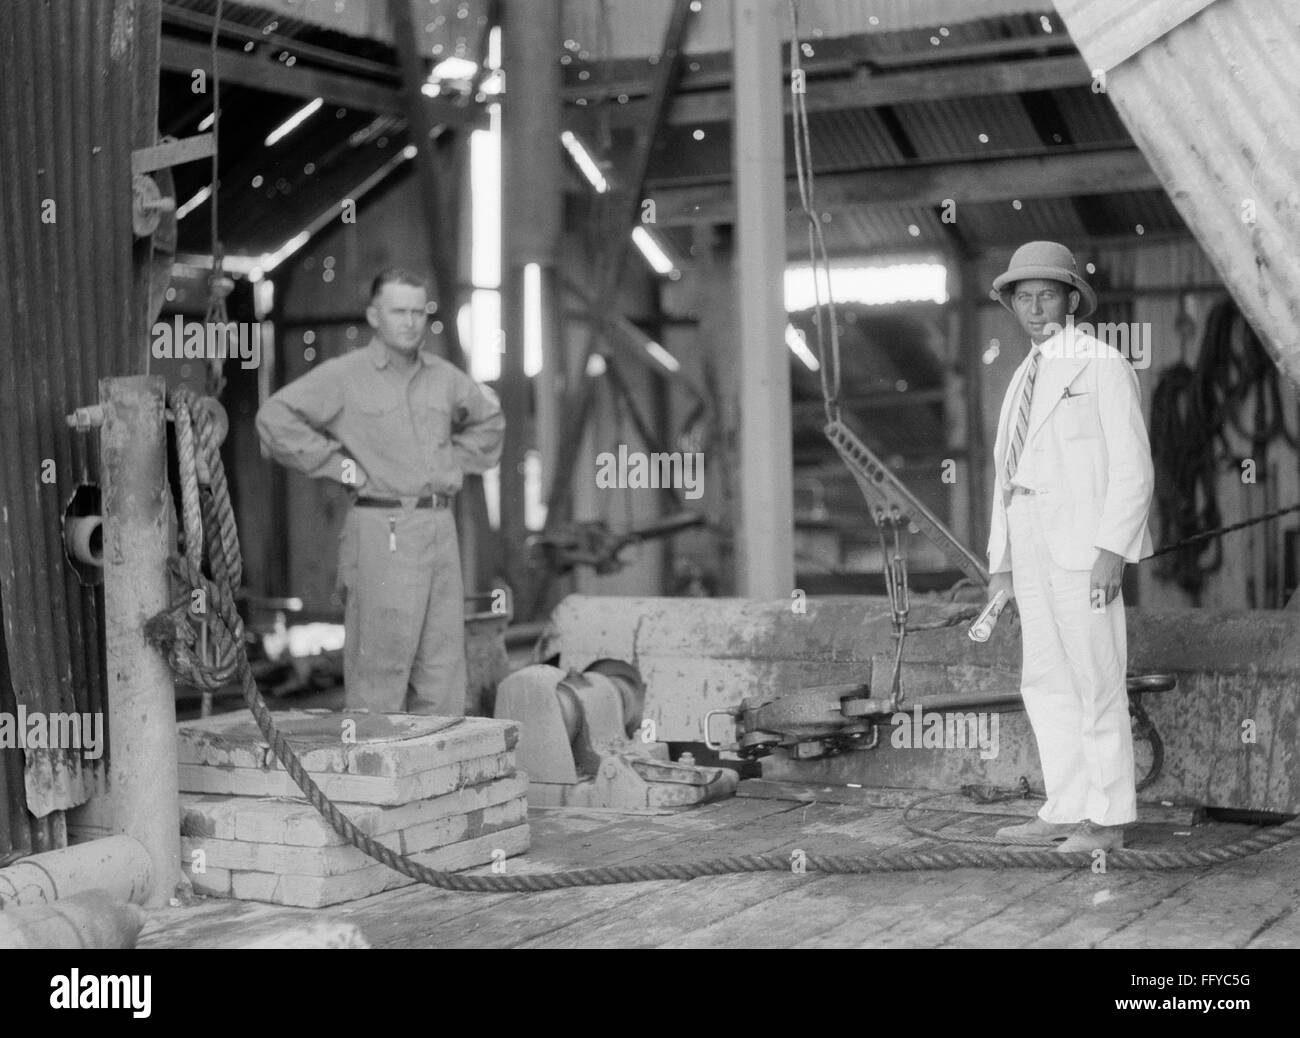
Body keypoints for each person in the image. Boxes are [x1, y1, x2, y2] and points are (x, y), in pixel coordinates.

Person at [256, 268, 505, 715]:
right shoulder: (345, 376)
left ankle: (438, 772)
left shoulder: (446, 379)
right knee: (381, 662)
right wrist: (339, 465)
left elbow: (491, 421)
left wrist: (454, 460)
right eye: (398, 311)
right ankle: (375, 768)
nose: (410, 322)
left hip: (438, 526)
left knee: (443, 662)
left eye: (418, 311)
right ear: (375, 315)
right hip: (381, 528)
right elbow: (275, 419)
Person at [984, 241, 1154, 854]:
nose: (1034, 308)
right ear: (1012, 304)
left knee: (1096, 678)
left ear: (1071, 299)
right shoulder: (1022, 376)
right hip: (1028, 538)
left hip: (1083, 548)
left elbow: (1134, 468)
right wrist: (1000, 564)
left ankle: (1109, 821)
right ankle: (1065, 807)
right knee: (1046, 679)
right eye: (1023, 297)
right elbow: (1004, 475)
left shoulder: (1103, 364)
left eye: (1047, 295)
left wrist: (1112, 550)